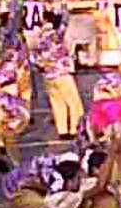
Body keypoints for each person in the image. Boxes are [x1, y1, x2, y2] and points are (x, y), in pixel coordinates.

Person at [29, 10, 84, 140]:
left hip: (48, 75)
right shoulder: (56, 35)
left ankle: (63, 130)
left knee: (57, 103)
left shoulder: (39, 39)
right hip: (62, 73)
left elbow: (33, 58)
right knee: (73, 102)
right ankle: (74, 128)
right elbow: (66, 20)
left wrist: (42, 66)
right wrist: (63, 5)